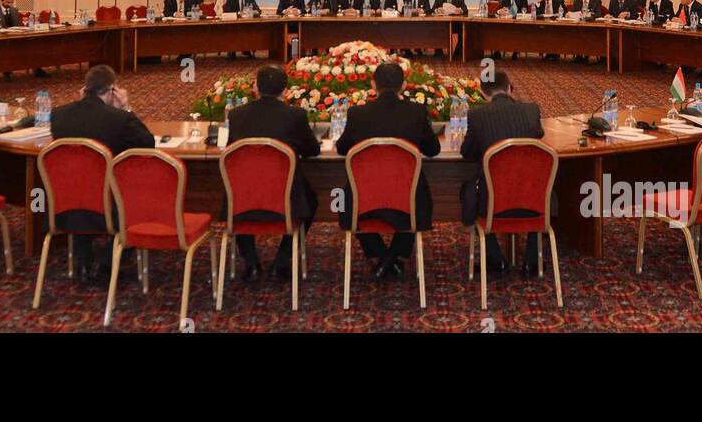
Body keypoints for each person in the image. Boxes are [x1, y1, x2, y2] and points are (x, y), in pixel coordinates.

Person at [47, 65, 154, 280]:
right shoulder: (119, 119)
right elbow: (147, 144)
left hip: (64, 205)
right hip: (109, 208)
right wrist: (125, 107)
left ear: (85, 88)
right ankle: (106, 261)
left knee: (81, 185)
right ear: (112, 90)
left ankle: (83, 260)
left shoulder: (58, 116)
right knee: (144, 201)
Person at [336, 62, 439, 279]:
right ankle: (393, 257)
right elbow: (433, 150)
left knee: (342, 196)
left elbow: (342, 149)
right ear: (404, 85)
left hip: (363, 202)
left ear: (373, 85)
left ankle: (382, 257)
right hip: (408, 201)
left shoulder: (358, 114)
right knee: (419, 191)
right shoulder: (416, 112)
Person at [226, 65, 320, 282]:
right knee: (311, 200)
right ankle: (281, 260)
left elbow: (232, 150)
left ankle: (250, 261)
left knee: (236, 196)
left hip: (245, 193)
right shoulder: (295, 115)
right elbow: (312, 150)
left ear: (255, 88)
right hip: (285, 196)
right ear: (285, 91)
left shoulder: (237, 115)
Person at [459, 71, 544, 275]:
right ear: (509, 87)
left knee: (468, 191)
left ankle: (495, 258)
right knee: (539, 184)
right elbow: (538, 135)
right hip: (531, 197)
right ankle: (533, 259)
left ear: (482, 93)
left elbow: (467, 153)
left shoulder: (477, 115)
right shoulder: (532, 110)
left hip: (492, 201)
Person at [0, 0, 48, 79]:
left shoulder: (14, 10)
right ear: (2, 0)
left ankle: (37, 68)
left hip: (15, 37)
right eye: (7, 2)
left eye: (11, 2)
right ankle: (6, 71)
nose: (9, 4)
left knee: (34, 44)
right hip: (1, 39)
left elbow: (18, 25)